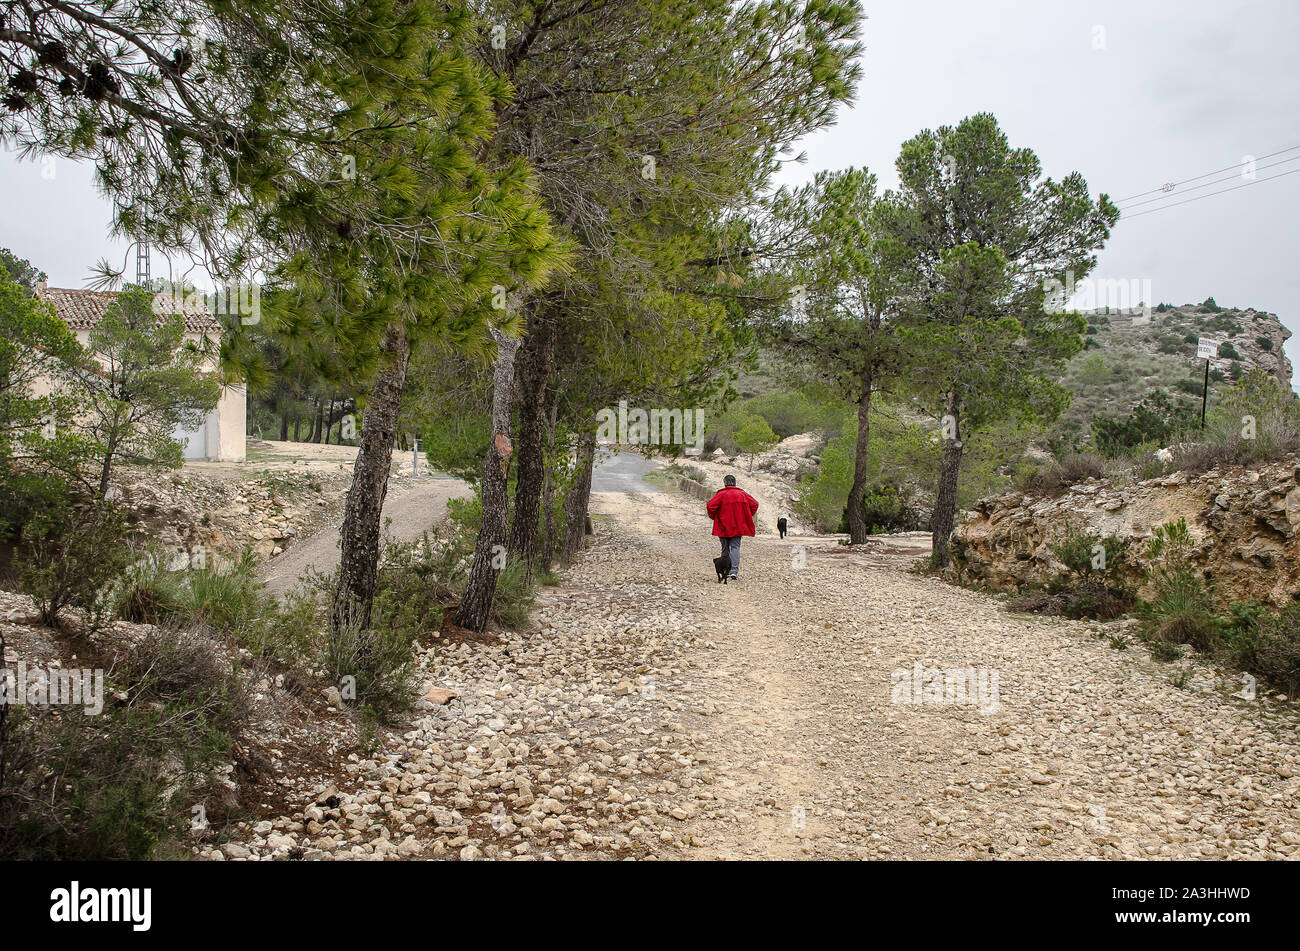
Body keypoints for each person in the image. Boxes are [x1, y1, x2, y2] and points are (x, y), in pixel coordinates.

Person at [706, 474, 758, 580]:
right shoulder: (742, 494)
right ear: (735, 483)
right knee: (735, 548)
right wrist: (746, 515)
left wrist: (714, 517)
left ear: (725, 483)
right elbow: (755, 504)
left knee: (725, 549)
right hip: (738, 526)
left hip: (723, 526)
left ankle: (725, 570)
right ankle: (734, 571)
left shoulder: (721, 494)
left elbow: (710, 506)